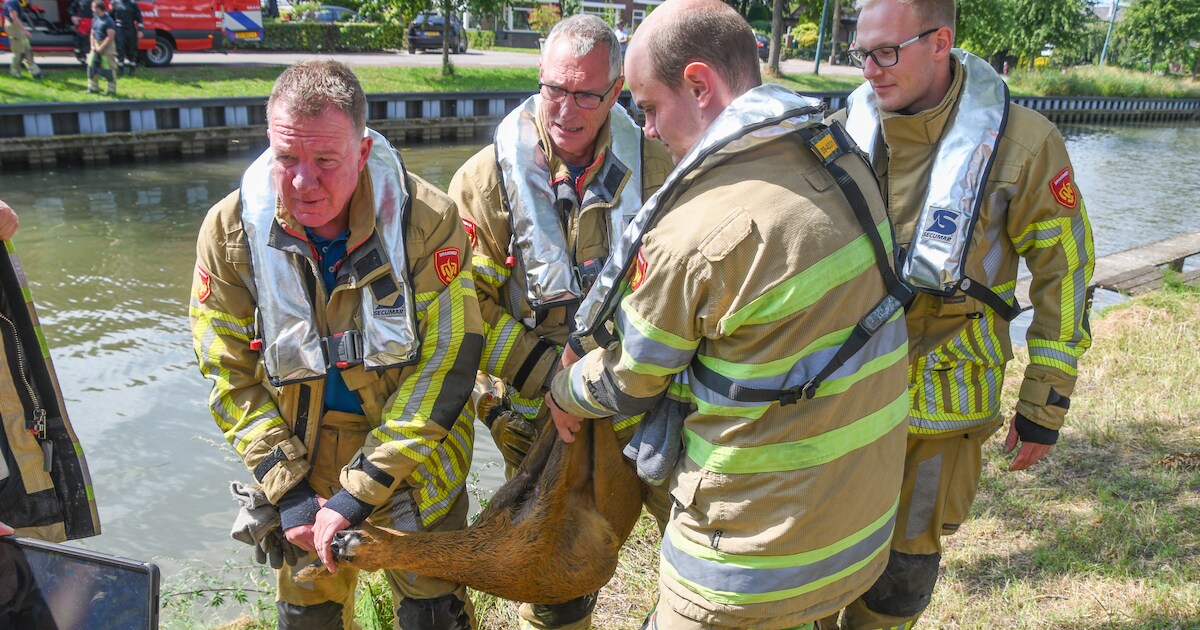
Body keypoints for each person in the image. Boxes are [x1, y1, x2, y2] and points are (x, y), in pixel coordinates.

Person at [546, 0, 911, 627]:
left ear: (699, 84)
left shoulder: (694, 233)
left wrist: (565, 389)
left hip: (744, 566)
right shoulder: (840, 157)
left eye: (652, 106)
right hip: (858, 531)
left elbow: (632, 377)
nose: (650, 130)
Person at [820, 0, 1095, 627]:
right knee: (814, 564)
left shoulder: (1025, 145)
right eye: (861, 52)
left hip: (943, 408)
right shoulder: (839, 130)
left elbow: (1067, 272)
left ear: (940, 41)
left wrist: (1044, 404)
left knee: (902, 580)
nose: (869, 70)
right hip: (839, 398)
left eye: (886, 52)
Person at [190, 59, 485, 629]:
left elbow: (447, 364)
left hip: (412, 456)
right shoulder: (228, 233)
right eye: (286, 158)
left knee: (434, 615)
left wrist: (360, 493)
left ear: (363, 150)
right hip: (300, 455)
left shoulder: (429, 221)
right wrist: (290, 489)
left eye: (326, 161)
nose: (304, 182)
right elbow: (227, 373)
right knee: (308, 620)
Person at [448, 13, 673, 630]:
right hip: (533, 407)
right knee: (557, 578)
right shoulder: (484, 181)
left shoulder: (660, 163)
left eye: (585, 94)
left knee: (697, 539)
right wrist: (556, 381)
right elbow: (469, 309)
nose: (565, 109)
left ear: (617, 93)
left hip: (646, 391)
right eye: (554, 89)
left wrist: (616, 381)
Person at [4, 0, 45, 80]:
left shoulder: (13, 2)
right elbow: (13, 16)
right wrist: (24, 30)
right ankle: (14, 72)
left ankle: (36, 73)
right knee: (19, 52)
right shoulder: (12, 2)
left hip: (15, 26)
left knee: (27, 49)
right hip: (14, 27)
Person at [86, 0, 116, 96]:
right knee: (91, 66)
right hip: (95, 44)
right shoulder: (95, 18)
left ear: (98, 9)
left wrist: (101, 48)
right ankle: (93, 88)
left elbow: (110, 36)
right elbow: (92, 33)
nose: (91, 9)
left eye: (93, 7)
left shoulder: (108, 20)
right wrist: (92, 45)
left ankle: (111, 91)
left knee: (109, 68)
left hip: (107, 46)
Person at [109, 0, 142, 76]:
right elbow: (110, 16)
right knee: (119, 48)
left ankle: (132, 69)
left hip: (130, 28)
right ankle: (120, 69)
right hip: (119, 28)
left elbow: (139, 17)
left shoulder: (133, 3)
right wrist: (110, 28)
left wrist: (140, 30)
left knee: (132, 48)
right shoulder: (114, 3)